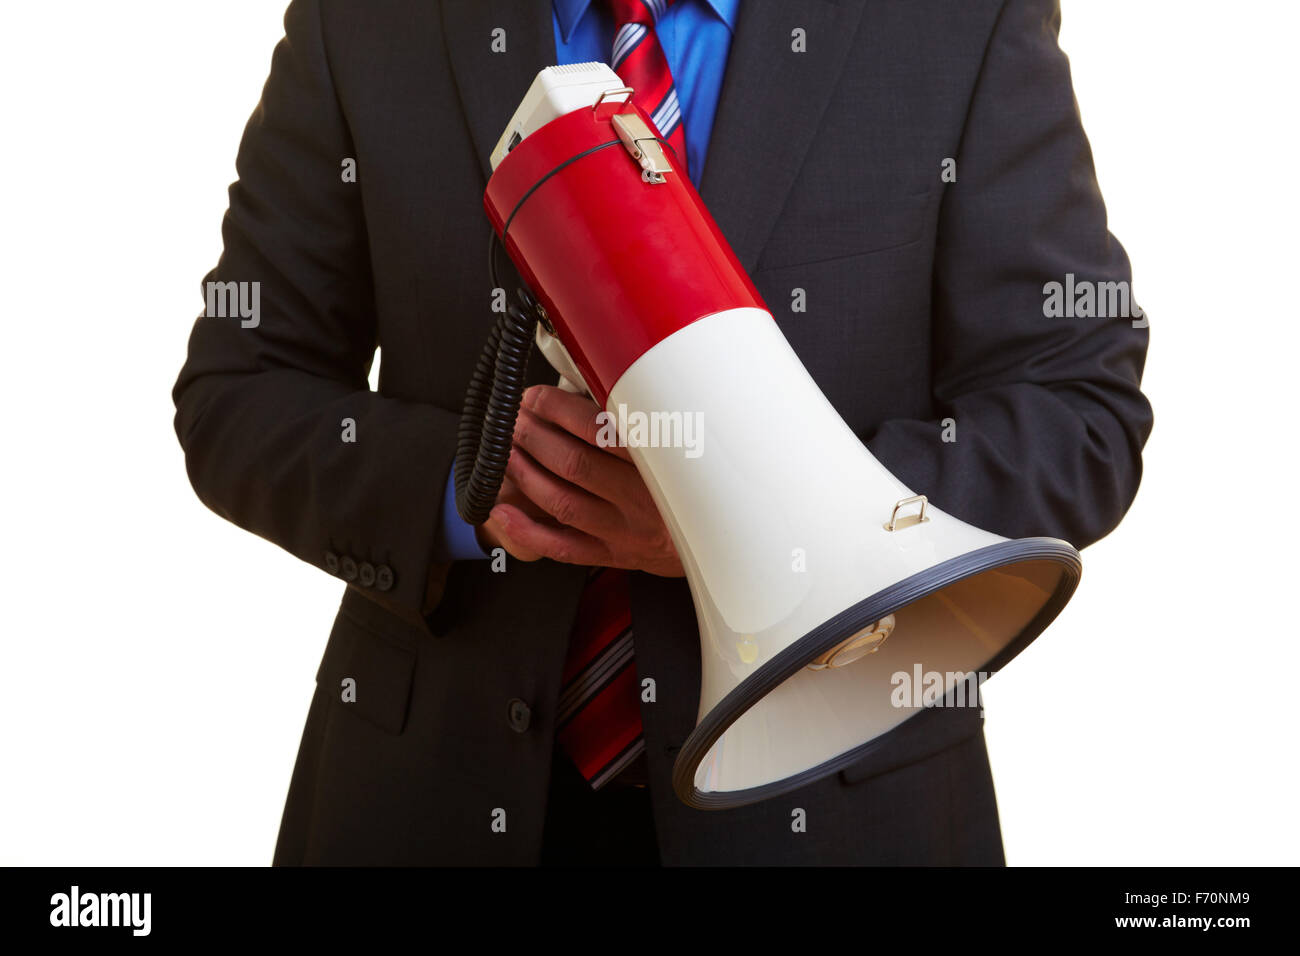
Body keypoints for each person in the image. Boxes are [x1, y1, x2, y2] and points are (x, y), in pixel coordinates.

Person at [172, 0, 1152, 865]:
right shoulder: (364, 18)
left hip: (839, 806)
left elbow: (1075, 409)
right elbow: (239, 386)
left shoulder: (956, 17)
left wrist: (752, 513)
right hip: (425, 800)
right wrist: (468, 480)